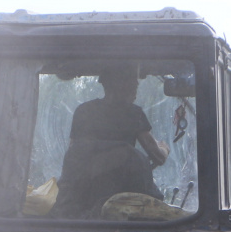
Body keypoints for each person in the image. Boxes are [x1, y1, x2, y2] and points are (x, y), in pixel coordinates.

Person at [50, 65, 170, 218]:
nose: (135, 90)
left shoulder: (84, 111)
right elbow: (157, 156)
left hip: (82, 199)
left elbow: (74, 153)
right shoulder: (133, 113)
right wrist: (164, 148)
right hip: (122, 201)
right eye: (133, 84)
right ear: (122, 85)